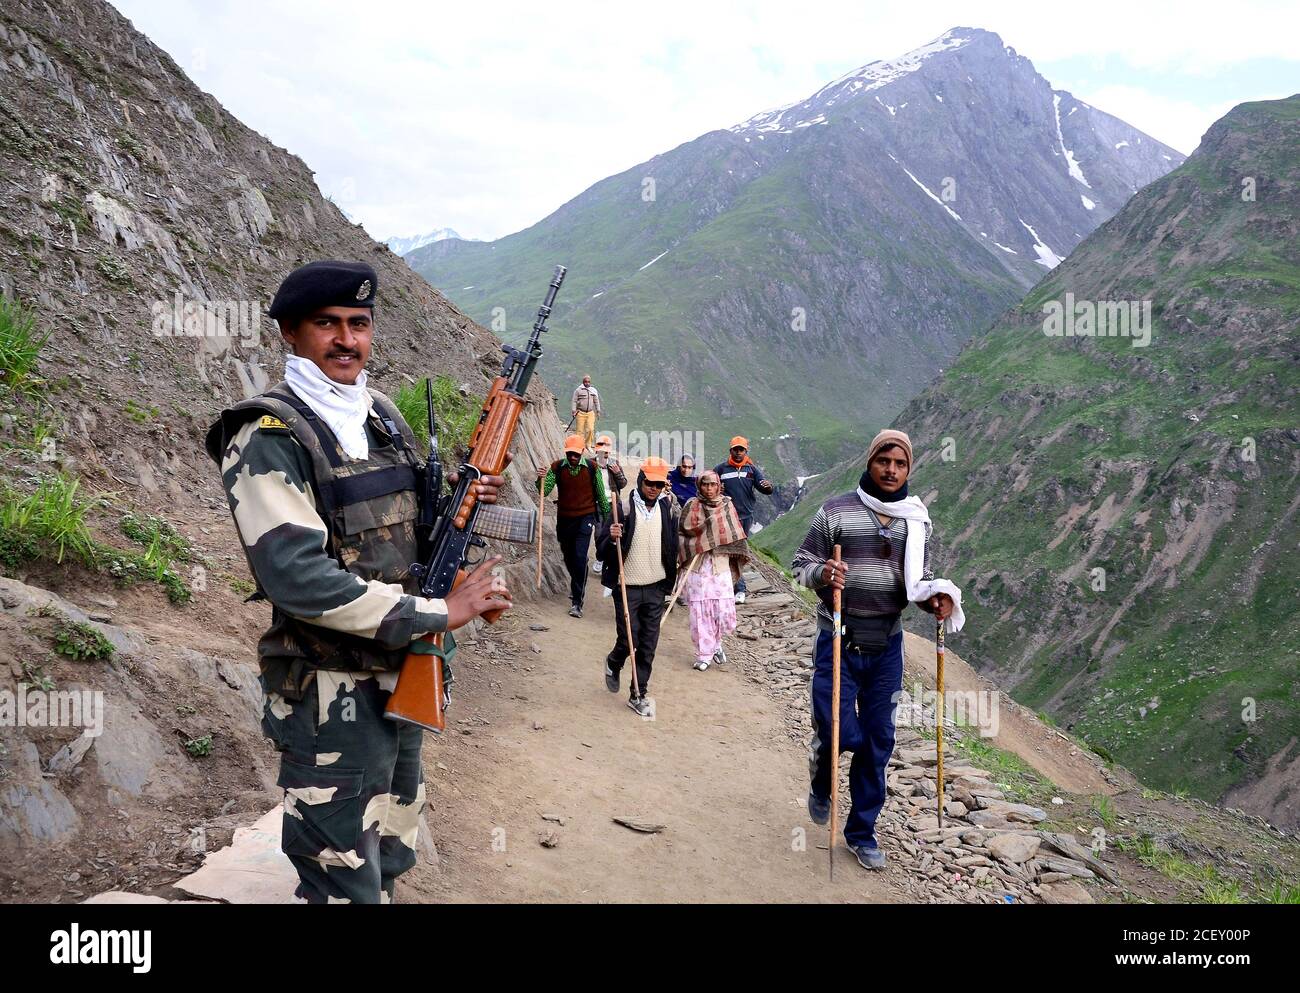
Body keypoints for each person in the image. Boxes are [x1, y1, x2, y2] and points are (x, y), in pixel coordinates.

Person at [204, 260, 512, 904]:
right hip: (329, 694)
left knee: (391, 849)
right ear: (290, 332)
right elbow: (298, 578)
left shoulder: (381, 415)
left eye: (359, 324)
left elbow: (407, 531)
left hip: (404, 678)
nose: (347, 340)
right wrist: (435, 613)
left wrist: (460, 503)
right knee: (342, 873)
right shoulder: (265, 434)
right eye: (327, 324)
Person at [791, 429, 964, 873]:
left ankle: (861, 832)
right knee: (838, 732)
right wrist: (824, 574)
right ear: (870, 462)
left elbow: (919, 579)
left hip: (887, 642)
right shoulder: (836, 511)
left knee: (878, 740)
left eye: (900, 463)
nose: (891, 470)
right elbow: (801, 565)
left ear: (909, 469)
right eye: (884, 461)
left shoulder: (916, 520)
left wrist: (935, 599)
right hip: (837, 635)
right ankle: (822, 773)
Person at [596, 456, 679, 716]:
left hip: (655, 587)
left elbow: (672, 543)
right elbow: (600, 552)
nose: (653, 488)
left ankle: (638, 693)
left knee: (648, 644)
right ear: (641, 480)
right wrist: (611, 539)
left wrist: (672, 578)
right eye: (649, 483)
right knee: (628, 639)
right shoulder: (622, 509)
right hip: (627, 586)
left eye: (658, 484)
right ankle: (614, 660)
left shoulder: (667, 509)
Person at [677, 470, 748, 671]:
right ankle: (704, 654)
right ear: (699, 486)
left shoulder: (727, 505)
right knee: (700, 611)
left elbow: (735, 534)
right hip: (698, 567)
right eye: (705, 485)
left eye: (712, 485)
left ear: (719, 486)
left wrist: (713, 540)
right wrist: (699, 542)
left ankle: (716, 644)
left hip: (719, 564)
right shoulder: (692, 505)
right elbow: (684, 532)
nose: (709, 489)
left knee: (721, 610)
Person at [537, 433, 610, 618]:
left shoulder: (592, 468)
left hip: (585, 517)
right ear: (566, 452)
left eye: (576, 454)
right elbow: (544, 492)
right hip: (564, 518)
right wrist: (541, 478)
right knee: (570, 557)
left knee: (578, 557)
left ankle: (577, 602)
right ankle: (579, 576)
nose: (573, 457)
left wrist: (608, 518)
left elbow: (601, 494)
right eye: (570, 454)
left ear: (583, 452)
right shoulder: (557, 467)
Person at [714, 436, 774, 603]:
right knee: (729, 550)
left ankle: (737, 588)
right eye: (735, 449)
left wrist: (768, 487)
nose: (738, 452)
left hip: (746, 517)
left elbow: (764, 488)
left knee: (736, 552)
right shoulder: (721, 469)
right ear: (730, 450)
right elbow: (709, 486)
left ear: (746, 451)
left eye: (741, 449)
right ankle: (736, 587)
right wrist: (718, 489)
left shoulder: (752, 470)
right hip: (726, 515)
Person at [590, 434, 628, 575]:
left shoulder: (614, 464)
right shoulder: (590, 464)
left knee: (613, 533)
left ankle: (609, 562)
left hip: (613, 504)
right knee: (599, 533)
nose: (604, 455)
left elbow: (623, 484)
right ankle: (600, 558)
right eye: (601, 452)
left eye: (606, 453)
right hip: (597, 504)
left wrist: (617, 473)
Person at [571, 375, 601, 451]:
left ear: (590, 382)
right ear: (583, 382)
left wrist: (598, 410)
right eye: (585, 381)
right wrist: (573, 410)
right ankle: (579, 445)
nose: (587, 383)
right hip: (580, 412)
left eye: (588, 382)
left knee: (590, 429)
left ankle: (589, 445)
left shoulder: (593, 390)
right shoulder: (578, 390)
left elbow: (596, 401)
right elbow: (574, 401)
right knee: (580, 431)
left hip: (590, 413)